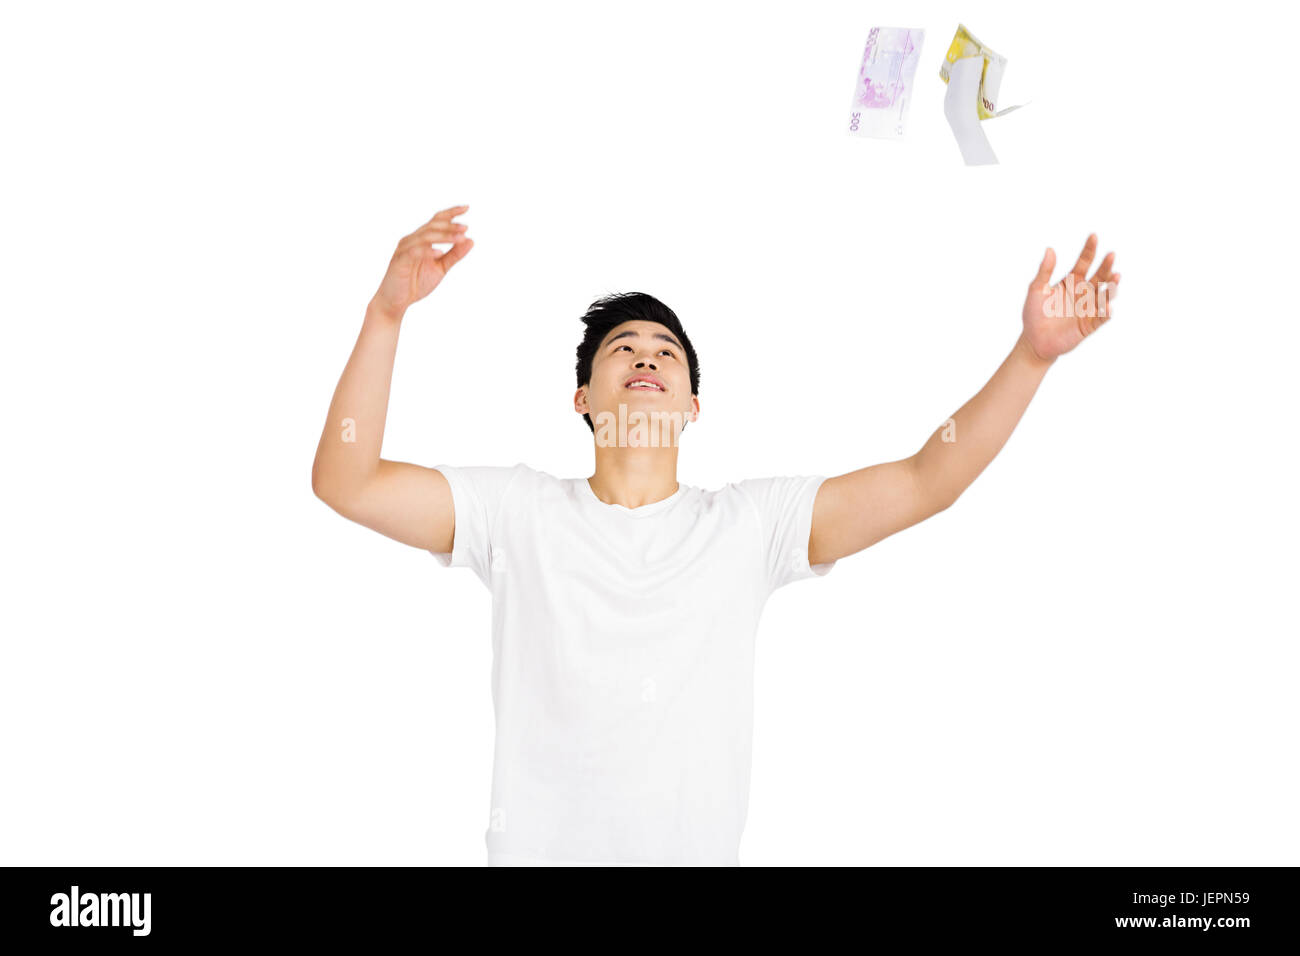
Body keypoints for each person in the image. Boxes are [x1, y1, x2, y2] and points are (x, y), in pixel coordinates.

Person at [311, 204, 1122, 866]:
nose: (645, 358)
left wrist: (1031, 357)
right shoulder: (514, 514)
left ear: (692, 407)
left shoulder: (748, 527)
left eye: (666, 353)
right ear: (583, 401)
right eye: (621, 350)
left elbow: (926, 480)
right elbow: (346, 481)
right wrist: (386, 313)